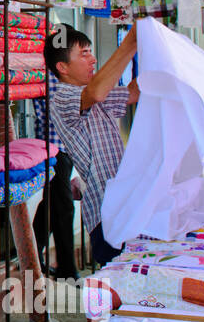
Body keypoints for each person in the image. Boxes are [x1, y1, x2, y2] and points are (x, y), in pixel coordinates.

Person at [44, 23, 139, 267]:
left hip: (125, 204)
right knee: (118, 286)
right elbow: (97, 93)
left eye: (91, 52)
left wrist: (160, 55)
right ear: (62, 67)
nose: (93, 60)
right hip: (107, 212)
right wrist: (130, 42)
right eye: (84, 54)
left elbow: (132, 93)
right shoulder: (63, 98)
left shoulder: (93, 93)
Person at [33, 72, 79, 280]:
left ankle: (34, 255)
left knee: (52, 204)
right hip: (55, 147)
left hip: (61, 146)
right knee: (63, 207)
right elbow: (60, 111)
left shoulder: (58, 72)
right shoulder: (53, 72)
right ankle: (66, 270)